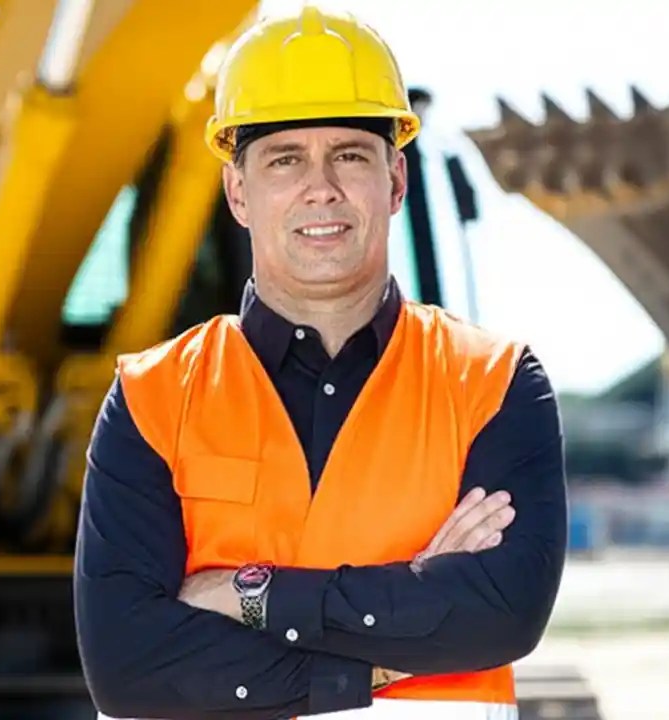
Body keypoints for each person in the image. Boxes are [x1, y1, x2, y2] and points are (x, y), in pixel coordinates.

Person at [73, 5, 567, 719]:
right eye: (285, 159)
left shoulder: (492, 381)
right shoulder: (152, 398)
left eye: (350, 155)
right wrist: (395, 636)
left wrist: (248, 594)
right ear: (238, 192)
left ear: (395, 180)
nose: (322, 188)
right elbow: (126, 665)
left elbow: (503, 614)